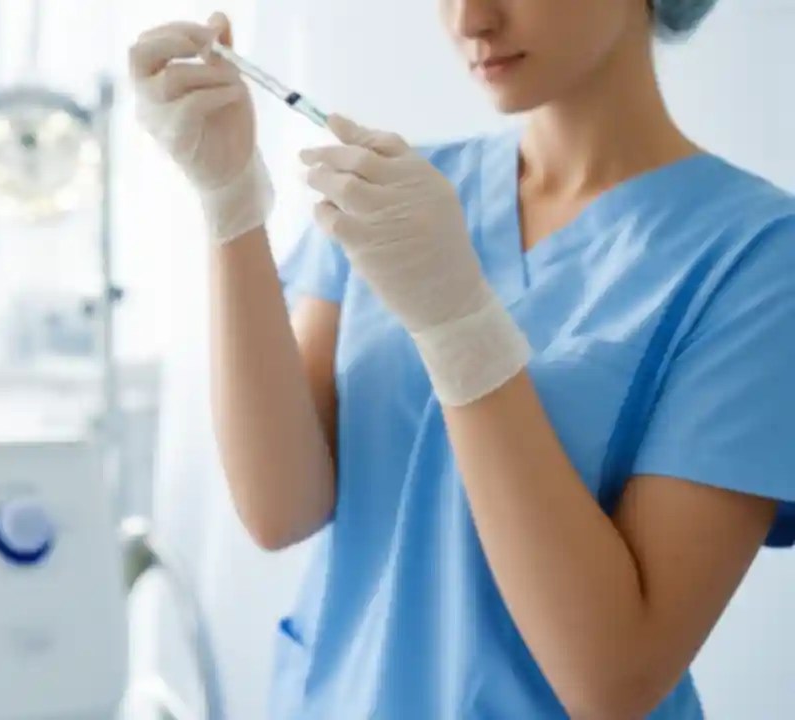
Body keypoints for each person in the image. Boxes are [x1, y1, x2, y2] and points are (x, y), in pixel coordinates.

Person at [129, 1, 795, 718]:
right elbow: (280, 509)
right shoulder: (402, 196)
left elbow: (614, 679)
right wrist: (228, 201)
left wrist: (458, 325)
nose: (471, 20)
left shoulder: (758, 259)